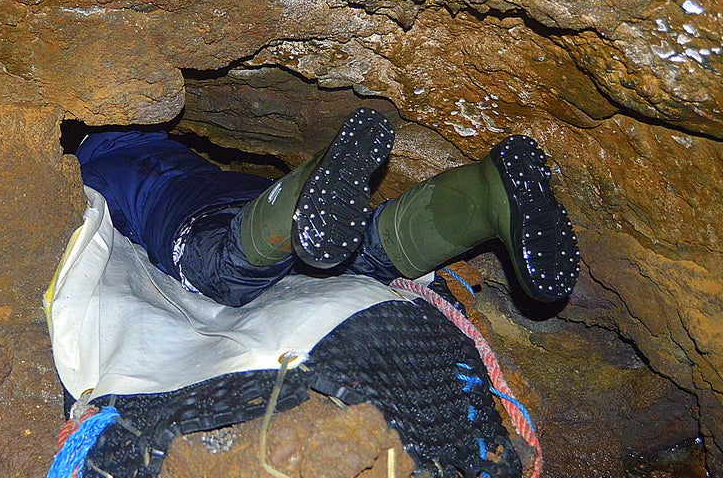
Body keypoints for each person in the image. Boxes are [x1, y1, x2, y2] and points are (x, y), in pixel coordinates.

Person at [75, 108, 579, 308]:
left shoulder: (95, 170)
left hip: (201, 219)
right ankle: (487, 192)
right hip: (255, 195)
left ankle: (305, 195)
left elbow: (89, 227)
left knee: (223, 270)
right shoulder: (172, 147)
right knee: (366, 253)